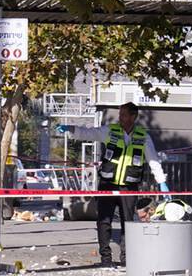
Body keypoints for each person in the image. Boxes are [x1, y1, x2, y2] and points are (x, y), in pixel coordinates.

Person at [62, 102, 170, 267]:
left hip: (129, 186)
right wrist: (71, 129)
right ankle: (106, 258)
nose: (121, 118)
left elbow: (153, 160)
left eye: (124, 115)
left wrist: (162, 182)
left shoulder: (143, 136)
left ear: (133, 117)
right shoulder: (110, 131)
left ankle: (126, 258)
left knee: (128, 222)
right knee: (104, 221)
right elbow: (90, 133)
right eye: (120, 114)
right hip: (108, 184)